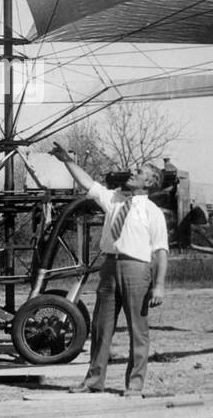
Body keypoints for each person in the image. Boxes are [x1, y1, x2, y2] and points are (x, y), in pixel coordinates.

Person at [49, 142, 168, 397]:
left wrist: (158, 285)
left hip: (137, 270)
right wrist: (65, 160)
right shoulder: (114, 199)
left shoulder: (153, 212)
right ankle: (93, 381)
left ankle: (134, 385)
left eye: (139, 171)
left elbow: (161, 251)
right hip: (109, 267)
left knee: (138, 329)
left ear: (149, 182)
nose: (132, 172)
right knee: (101, 328)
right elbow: (87, 183)